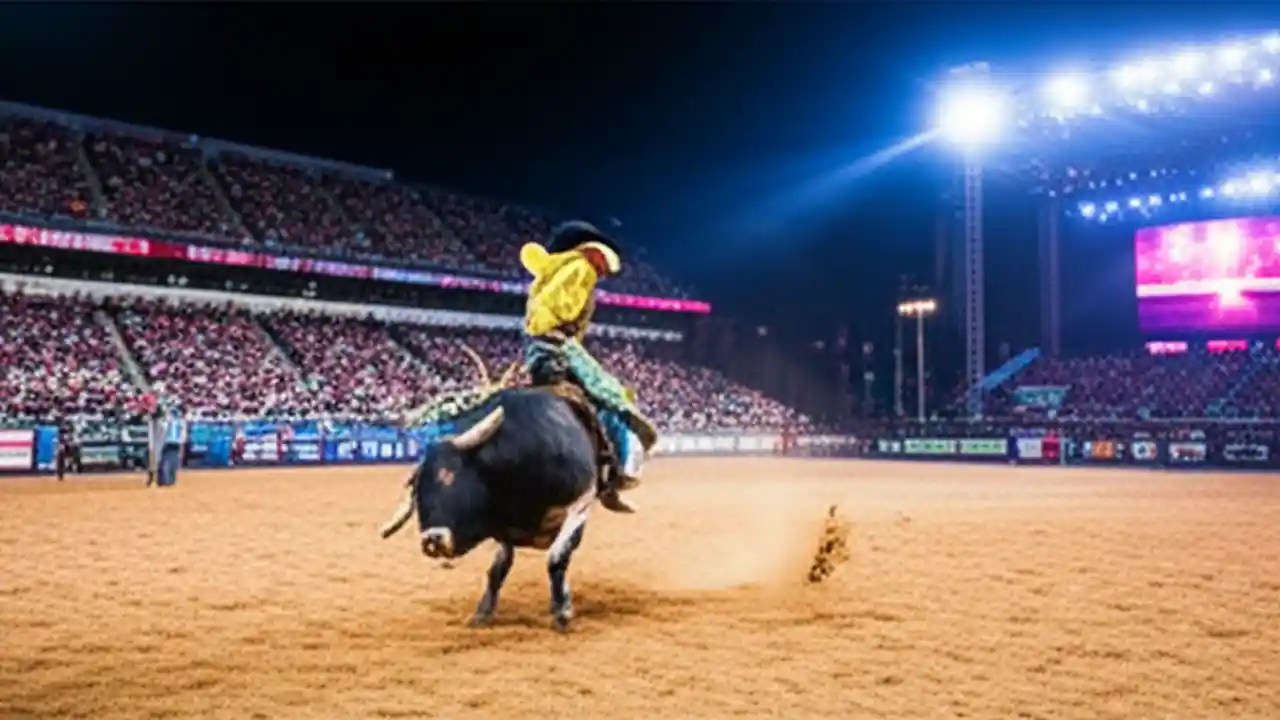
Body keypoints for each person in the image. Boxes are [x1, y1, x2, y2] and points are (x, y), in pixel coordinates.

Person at [519, 220, 658, 513]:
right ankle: (618, 475)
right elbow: (563, 311)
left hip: (536, 349)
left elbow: (537, 318)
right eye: (603, 264)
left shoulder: (547, 275)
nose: (603, 272)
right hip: (559, 347)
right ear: (593, 252)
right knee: (613, 399)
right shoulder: (581, 269)